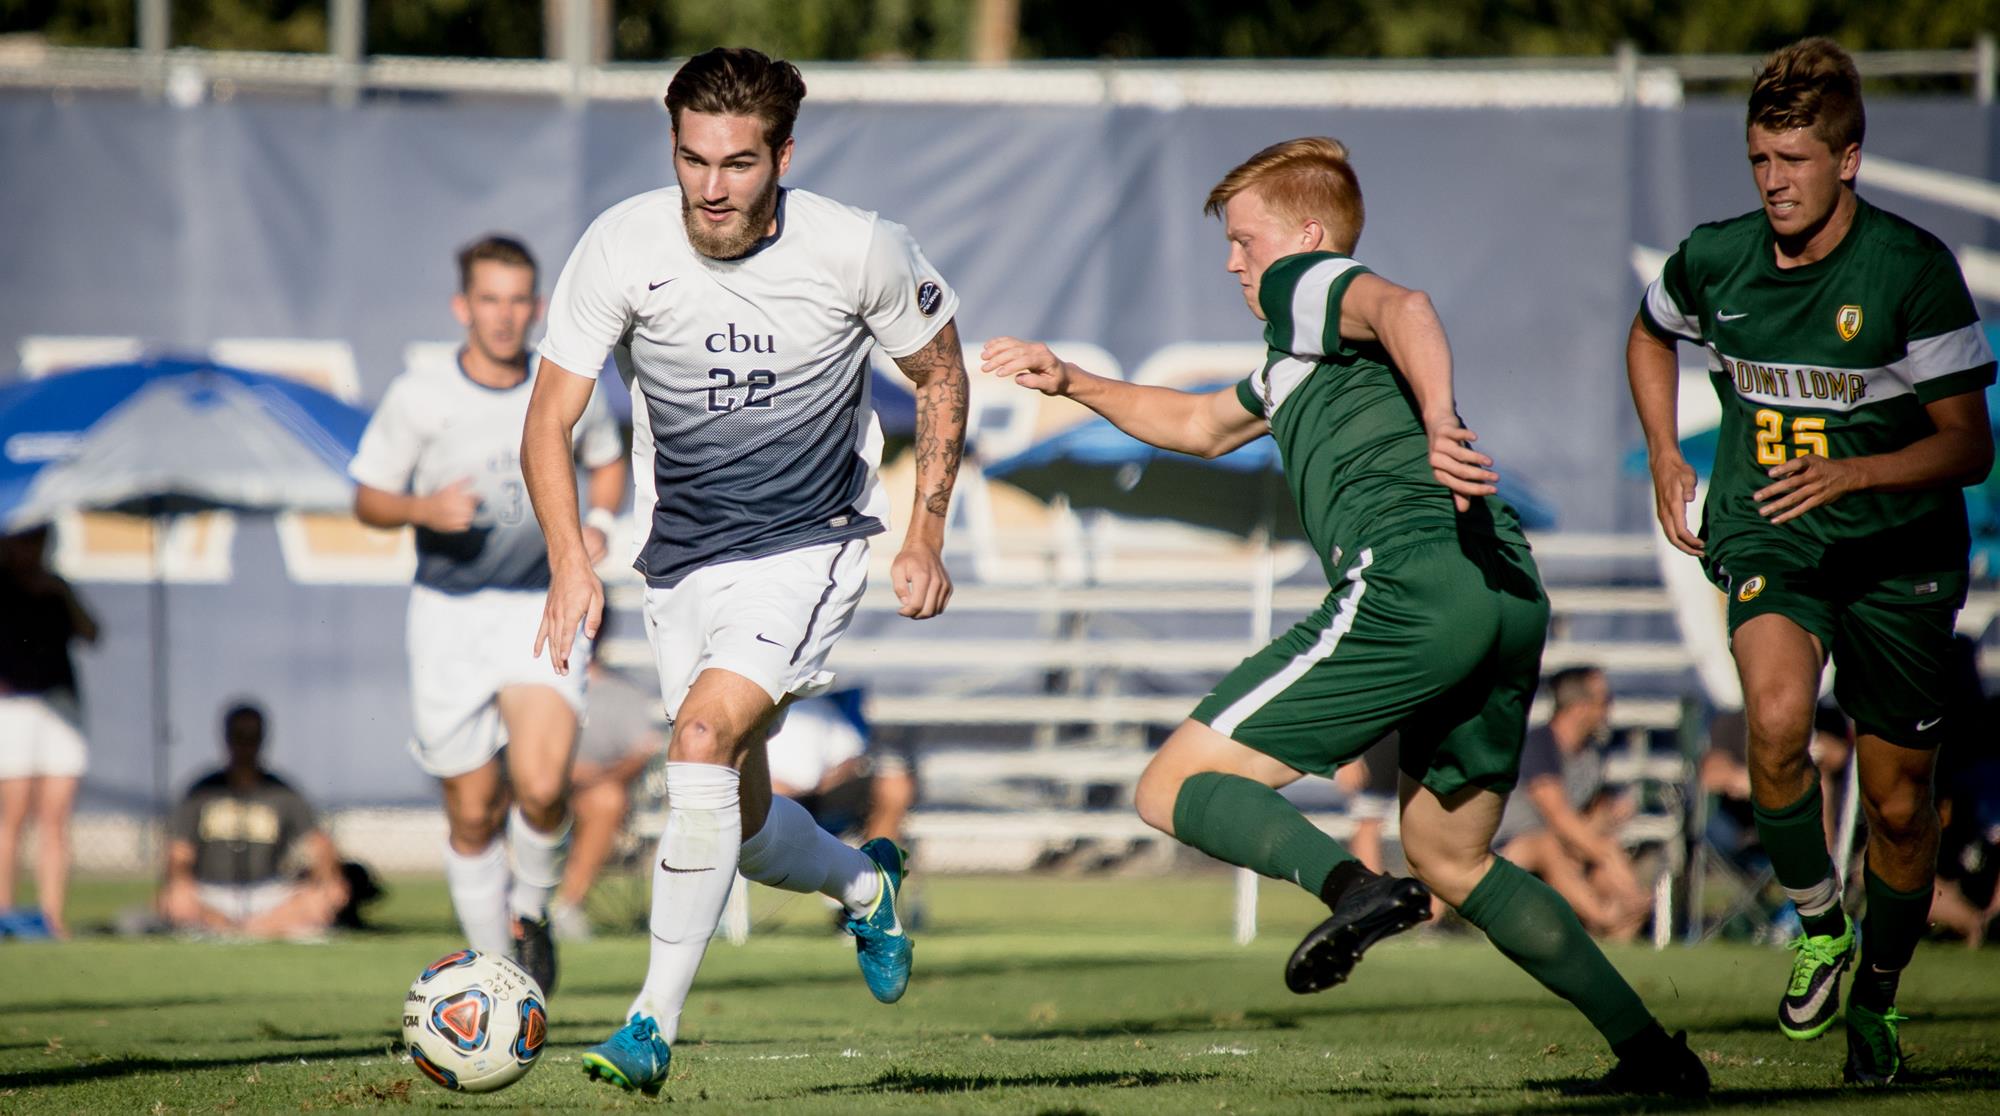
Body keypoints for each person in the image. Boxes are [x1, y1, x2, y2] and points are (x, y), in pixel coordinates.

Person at [983, 136, 1707, 1095]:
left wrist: (1443, 420)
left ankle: (1351, 889)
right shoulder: (1298, 357)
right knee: (1452, 856)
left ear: (1309, 236)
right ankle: (1652, 1056)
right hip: (1505, 592)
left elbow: (1405, 305)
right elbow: (1199, 426)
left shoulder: (1310, 284)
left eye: (1244, 240)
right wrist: (1070, 379)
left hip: (1412, 587)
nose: (1233, 261)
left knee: (1167, 788)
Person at [519, 47, 969, 1095]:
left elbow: (939, 370)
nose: (710, 187)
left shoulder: (857, 247)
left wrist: (923, 534)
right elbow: (547, 421)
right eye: (691, 160)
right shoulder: (620, 245)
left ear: (782, 157)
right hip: (677, 563)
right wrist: (566, 563)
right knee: (743, 822)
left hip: (808, 545)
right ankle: (866, 887)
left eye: (736, 163)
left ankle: (647, 1027)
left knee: (699, 738)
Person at [1627, 37, 1995, 1083]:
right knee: (1776, 719)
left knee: (1894, 804)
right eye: (1758, 161)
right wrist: (1663, 448)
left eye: (1793, 161)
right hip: (1770, 534)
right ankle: (1817, 924)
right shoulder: (1715, 258)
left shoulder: (1908, 270)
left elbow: (1968, 445)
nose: (1774, 183)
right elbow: (1649, 334)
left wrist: (1855, 476)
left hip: (1897, 558)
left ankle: (1874, 1003)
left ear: (1847, 160)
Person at [349, 234, 627, 994]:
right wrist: (420, 507)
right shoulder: (420, 395)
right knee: (473, 812)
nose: (504, 317)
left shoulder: (566, 382)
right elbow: (367, 495)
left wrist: (599, 519)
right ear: (462, 306)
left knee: (541, 787)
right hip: (447, 613)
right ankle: (495, 973)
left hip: (538, 604)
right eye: (489, 300)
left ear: (537, 307)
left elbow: (607, 459)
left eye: (517, 300)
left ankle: (530, 912)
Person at [157, 703, 349, 939]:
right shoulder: (202, 792)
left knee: (319, 902)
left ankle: (246, 930)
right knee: (177, 902)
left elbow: (319, 845)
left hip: (270, 895)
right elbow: (179, 853)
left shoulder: (283, 793)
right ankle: (248, 930)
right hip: (210, 893)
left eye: (252, 737)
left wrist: (326, 880)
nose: (245, 745)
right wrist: (181, 884)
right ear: (226, 738)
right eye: (239, 736)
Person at [1492, 668, 1650, 942]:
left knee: (1604, 874)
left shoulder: (1592, 754)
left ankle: (1619, 942)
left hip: (1565, 850)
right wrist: (1604, 851)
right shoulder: (1539, 743)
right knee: (1552, 846)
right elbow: (1558, 816)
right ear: (1579, 707)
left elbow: (1592, 813)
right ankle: (1604, 919)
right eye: (1604, 700)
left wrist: (1608, 819)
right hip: (1508, 849)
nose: (1609, 707)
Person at [0, 525, 96, 940]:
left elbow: (92, 634)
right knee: (13, 815)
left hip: (59, 704)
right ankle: (4, 914)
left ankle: (52, 917)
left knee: (55, 818)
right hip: (14, 704)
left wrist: (59, 592)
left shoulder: (55, 588)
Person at [548, 625, 666, 942]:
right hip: (537, 786)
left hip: (593, 793)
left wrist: (594, 777)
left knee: (607, 799)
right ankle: (513, 909)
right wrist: (563, 771)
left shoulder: (621, 693)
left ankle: (566, 907)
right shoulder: (534, 690)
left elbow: (640, 752)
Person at [766, 691, 916, 846]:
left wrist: (825, 783)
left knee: (895, 786)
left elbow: (852, 760)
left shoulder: (821, 707)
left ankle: (875, 866)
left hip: (815, 794)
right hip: (767, 801)